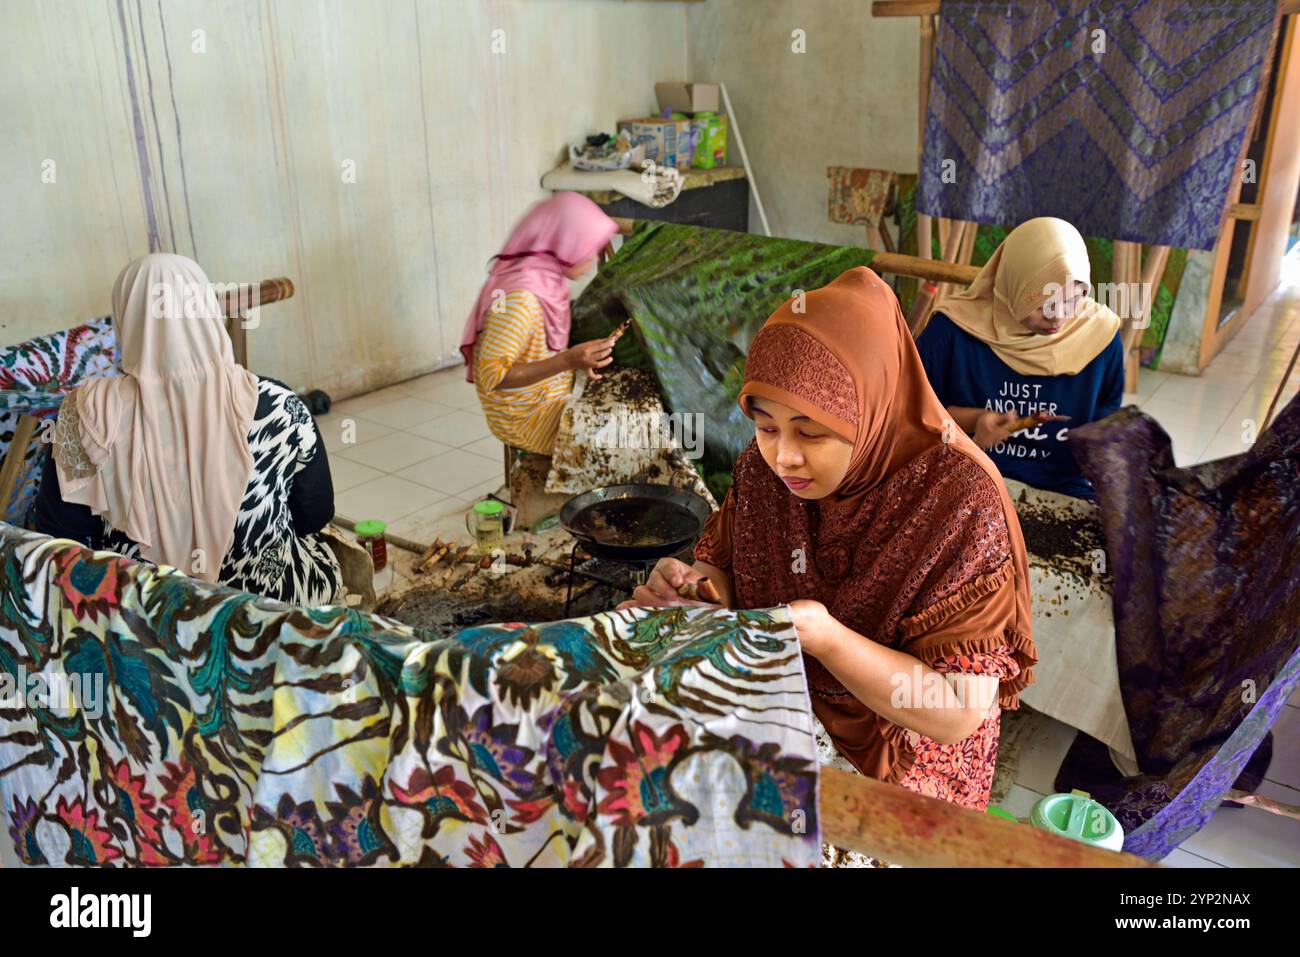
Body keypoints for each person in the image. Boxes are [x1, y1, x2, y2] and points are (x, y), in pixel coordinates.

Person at [621, 266, 1037, 812]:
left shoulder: (961, 502)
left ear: (869, 411)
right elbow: (724, 566)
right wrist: (698, 591)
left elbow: (957, 712)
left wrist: (827, 639)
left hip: (902, 756)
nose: (783, 455)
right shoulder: (762, 469)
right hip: (784, 701)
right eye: (766, 425)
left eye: (810, 431)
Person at [34, 253, 342, 606]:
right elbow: (315, 513)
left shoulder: (87, 411)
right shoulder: (279, 403)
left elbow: (62, 535)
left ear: (125, 319)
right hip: (271, 612)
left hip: (146, 615)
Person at [916, 217, 1125, 500]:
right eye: (1043, 304)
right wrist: (974, 420)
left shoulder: (1099, 336)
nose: (1059, 316)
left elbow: (1107, 410)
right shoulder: (952, 331)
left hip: (1062, 489)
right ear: (1014, 284)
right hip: (967, 477)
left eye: (1073, 299)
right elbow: (911, 414)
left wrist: (1110, 455)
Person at [460, 192, 621, 455]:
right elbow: (492, 376)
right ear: (564, 242)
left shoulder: (546, 280)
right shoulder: (520, 300)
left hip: (548, 392)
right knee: (636, 437)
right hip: (526, 416)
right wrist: (569, 361)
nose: (593, 258)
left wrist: (574, 362)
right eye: (588, 247)